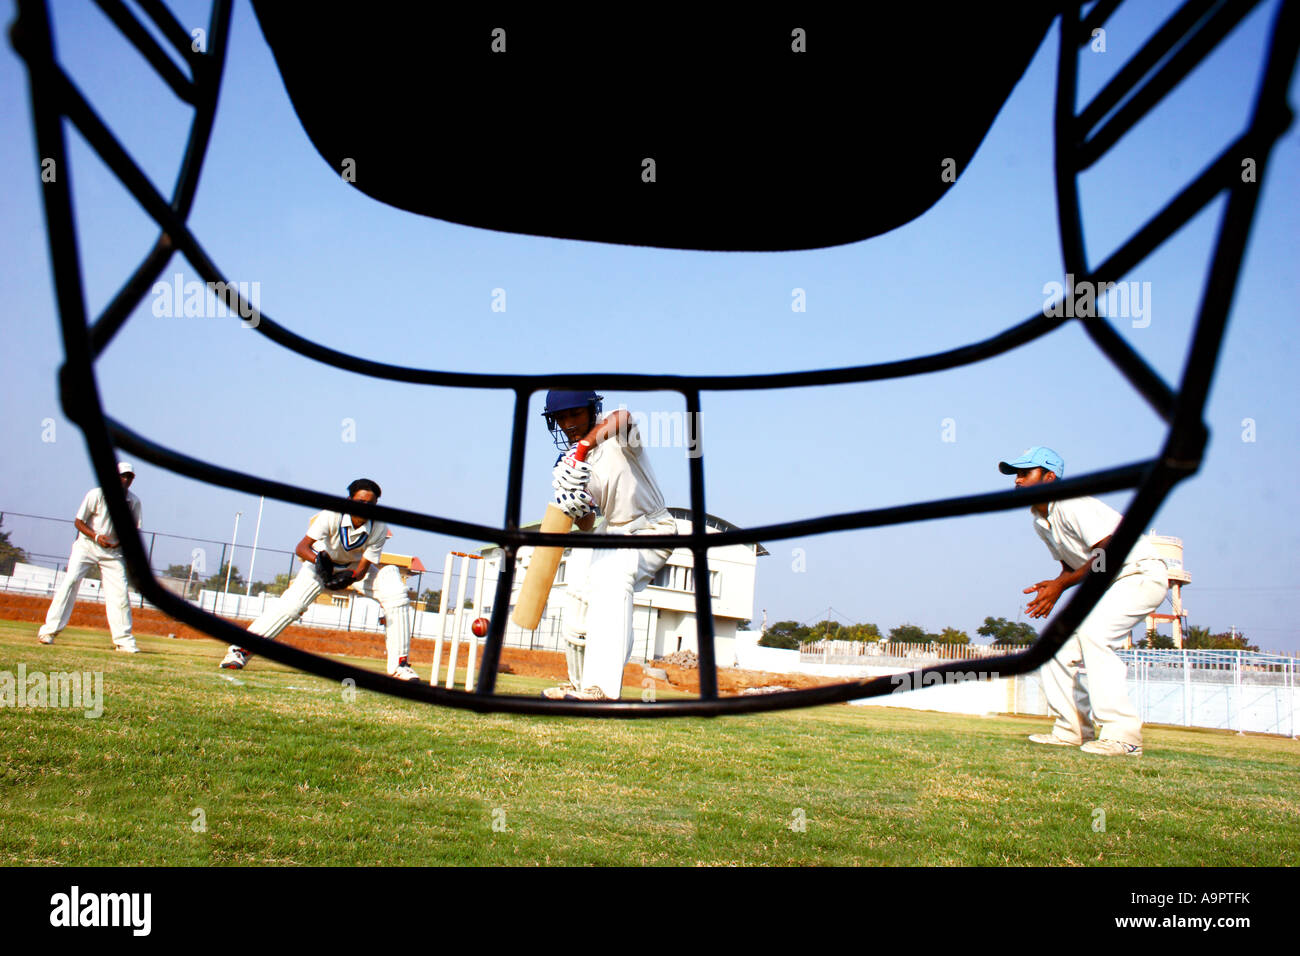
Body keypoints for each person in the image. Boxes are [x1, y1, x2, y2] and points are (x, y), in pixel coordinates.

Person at [1000, 446, 1168, 756]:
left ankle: (1124, 736)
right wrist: (1057, 585)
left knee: (1096, 637)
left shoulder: (1071, 502)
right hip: (1108, 583)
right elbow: (1072, 562)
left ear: (1050, 477)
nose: (1018, 481)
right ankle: (1072, 730)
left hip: (1138, 573)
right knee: (1055, 648)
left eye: (1025, 473)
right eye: (1016, 475)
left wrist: (1063, 583)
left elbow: (1108, 550)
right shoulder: (1039, 516)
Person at [540, 390, 677, 701]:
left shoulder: (617, 437)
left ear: (591, 410)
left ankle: (602, 688)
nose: (566, 424)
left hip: (652, 528)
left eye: (573, 414)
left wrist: (586, 444)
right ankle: (579, 686)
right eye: (559, 418)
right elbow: (588, 523)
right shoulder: (570, 464)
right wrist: (576, 508)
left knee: (612, 578)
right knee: (576, 591)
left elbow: (624, 417)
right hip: (609, 531)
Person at [219, 478, 419, 681]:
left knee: (395, 590)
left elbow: (363, 567)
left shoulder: (379, 527)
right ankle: (240, 650)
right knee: (291, 606)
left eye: (370, 504)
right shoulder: (331, 514)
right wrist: (319, 561)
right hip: (321, 565)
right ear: (349, 500)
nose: (364, 508)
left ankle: (399, 665)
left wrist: (349, 579)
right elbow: (302, 547)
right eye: (359, 502)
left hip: (352, 570)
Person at [38, 461, 143, 652]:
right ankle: (48, 632)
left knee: (120, 593)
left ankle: (124, 641)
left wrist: (120, 542)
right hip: (86, 547)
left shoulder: (133, 502)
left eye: (130, 477)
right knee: (70, 582)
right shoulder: (96, 494)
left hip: (113, 553)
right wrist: (95, 536)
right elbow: (78, 522)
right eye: (123, 475)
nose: (126, 479)